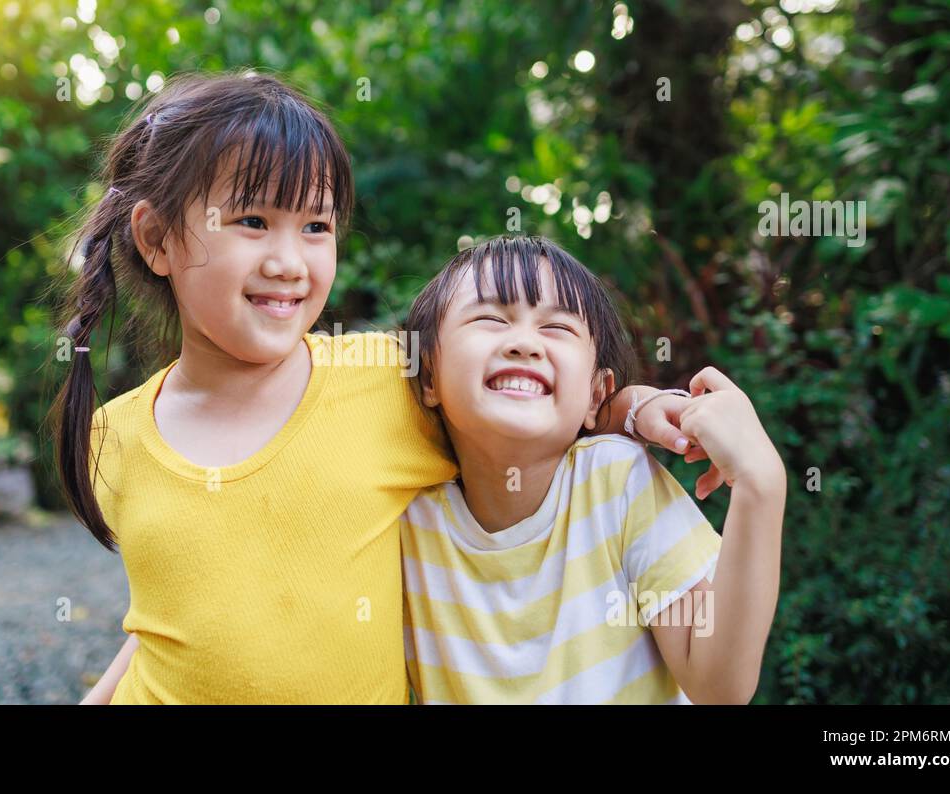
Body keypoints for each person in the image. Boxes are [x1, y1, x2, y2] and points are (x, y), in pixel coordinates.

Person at [52, 71, 710, 704]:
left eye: (316, 227)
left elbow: (533, 405)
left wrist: (637, 405)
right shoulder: (117, 435)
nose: (288, 262)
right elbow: (170, 617)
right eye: (252, 220)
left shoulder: (386, 381)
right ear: (156, 239)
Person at [400, 235, 786, 704]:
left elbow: (719, 686)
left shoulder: (617, 484)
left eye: (556, 327)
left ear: (596, 395)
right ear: (428, 375)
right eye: (491, 319)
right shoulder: (406, 522)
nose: (524, 343)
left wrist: (760, 485)